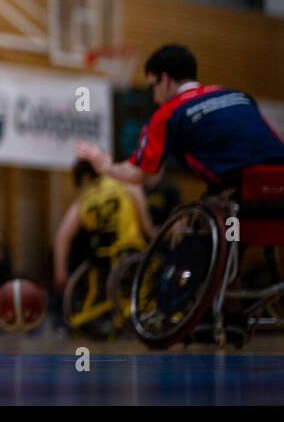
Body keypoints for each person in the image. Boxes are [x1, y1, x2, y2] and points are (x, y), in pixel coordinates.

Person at [75, 44, 284, 193]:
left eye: (152, 87)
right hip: (279, 181)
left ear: (164, 79)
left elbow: (138, 175)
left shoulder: (166, 115)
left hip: (241, 188)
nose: (154, 97)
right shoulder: (238, 95)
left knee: (187, 247)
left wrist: (105, 165)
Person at [53, 157, 153, 293]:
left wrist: (60, 273)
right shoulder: (128, 184)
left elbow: (61, 238)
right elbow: (147, 227)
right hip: (130, 253)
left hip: (100, 259)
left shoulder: (84, 199)